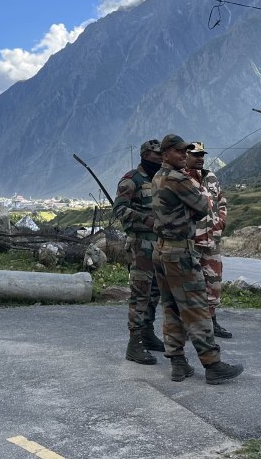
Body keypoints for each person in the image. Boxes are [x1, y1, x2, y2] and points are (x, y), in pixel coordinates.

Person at [151, 134, 244, 384]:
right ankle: (212, 365)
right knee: (197, 309)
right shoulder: (178, 178)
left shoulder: (158, 176)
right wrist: (197, 203)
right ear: (166, 153)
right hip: (180, 252)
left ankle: (178, 363)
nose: (184, 155)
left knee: (171, 309)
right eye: (179, 151)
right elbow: (204, 206)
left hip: (161, 251)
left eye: (186, 152)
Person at [113, 139, 165, 365]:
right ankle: (134, 344)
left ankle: (147, 333)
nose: (160, 159)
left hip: (159, 245)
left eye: (161, 155)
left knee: (155, 293)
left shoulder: (160, 180)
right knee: (140, 294)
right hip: (140, 245)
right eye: (155, 155)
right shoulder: (132, 179)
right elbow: (120, 209)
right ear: (145, 155)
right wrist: (146, 219)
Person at [185, 142, 232, 339]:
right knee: (190, 285)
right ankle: (189, 326)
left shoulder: (210, 177)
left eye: (202, 154)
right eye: (195, 155)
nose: (200, 158)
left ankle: (212, 322)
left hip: (212, 241)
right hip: (191, 242)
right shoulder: (181, 179)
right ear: (185, 155)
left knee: (214, 284)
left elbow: (221, 201)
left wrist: (221, 221)